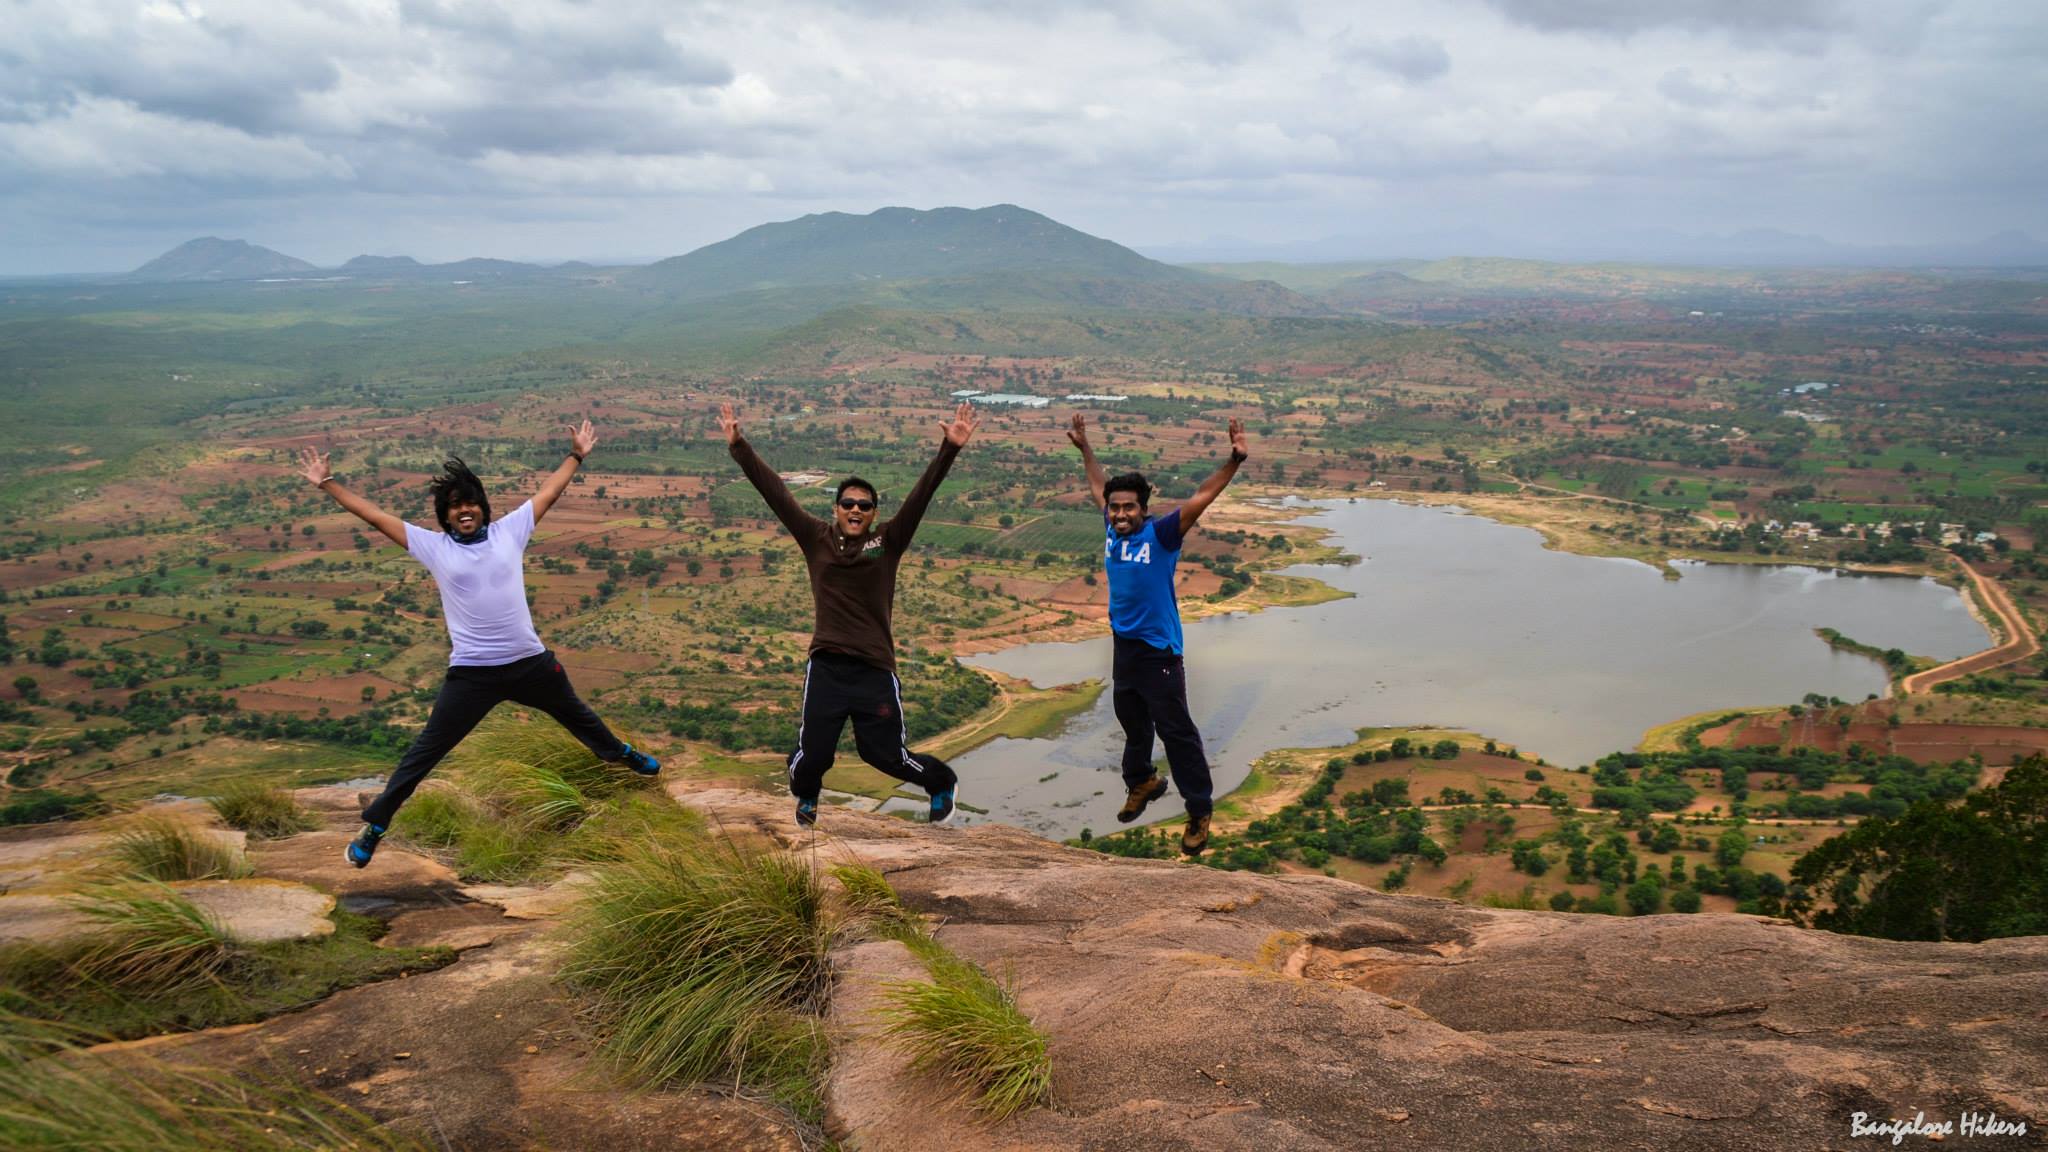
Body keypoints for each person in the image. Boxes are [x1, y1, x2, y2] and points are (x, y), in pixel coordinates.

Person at [295, 421, 658, 868]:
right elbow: (374, 516)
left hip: (530, 663)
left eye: (470, 503)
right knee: (425, 752)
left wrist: (577, 455)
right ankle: (376, 826)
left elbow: (550, 492)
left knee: (580, 717)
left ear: (482, 508)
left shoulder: (511, 531)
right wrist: (328, 483)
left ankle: (621, 755)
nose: (463, 510)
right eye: (454, 507)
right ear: (444, 515)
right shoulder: (433, 548)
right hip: (472, 674)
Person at [720, 400, 978, 828]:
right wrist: (739, 446)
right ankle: (806, 794)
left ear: (874, 513)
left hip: (874, 670)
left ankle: (941, 782)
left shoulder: (888, 542)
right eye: (847, 503)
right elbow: (776, 494)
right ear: (836, 509)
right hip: (826, 667)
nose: (855, 509)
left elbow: (922, 495)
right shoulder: (814, 537)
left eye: (864, 504)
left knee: (883, 756)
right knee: (813, 757)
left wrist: (948, 449)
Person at [1066, 412, 1248, 856]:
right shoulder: (1112, 530)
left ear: (1143, 509)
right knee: (1131, 721)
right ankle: (1144, 781)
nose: (1121, 512)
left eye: (1129, 507)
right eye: (1116, 506)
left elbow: (1202, 496)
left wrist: (1235, 461)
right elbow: (1097, 485)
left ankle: (1199, 810)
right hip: (1125, 647)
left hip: (1159, 652)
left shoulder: (1161, 534)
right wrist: (1085, 447)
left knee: (1176, 731)